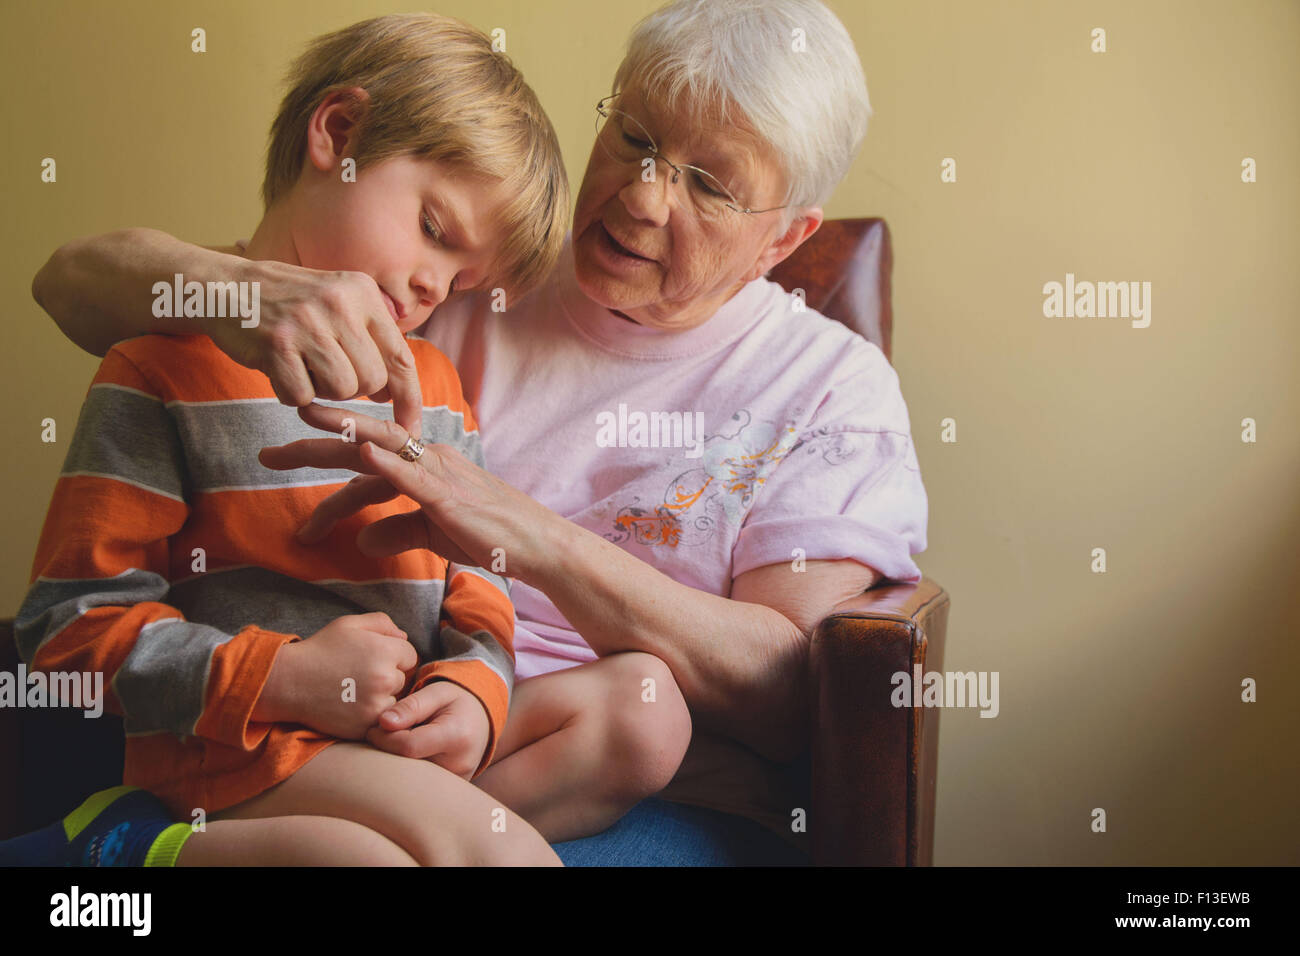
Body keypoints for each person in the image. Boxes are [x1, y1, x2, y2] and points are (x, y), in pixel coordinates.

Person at [27, 0, 928, 866]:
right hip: (325, 713)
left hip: (544, 744)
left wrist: (518, 554)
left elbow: (796, 692)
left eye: (710, 184)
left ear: (785, 238)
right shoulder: (455, 284)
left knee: (645, 712)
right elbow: (70, 285)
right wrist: (240, 290)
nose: (647, 198)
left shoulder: (831, 389)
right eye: (638, 138)